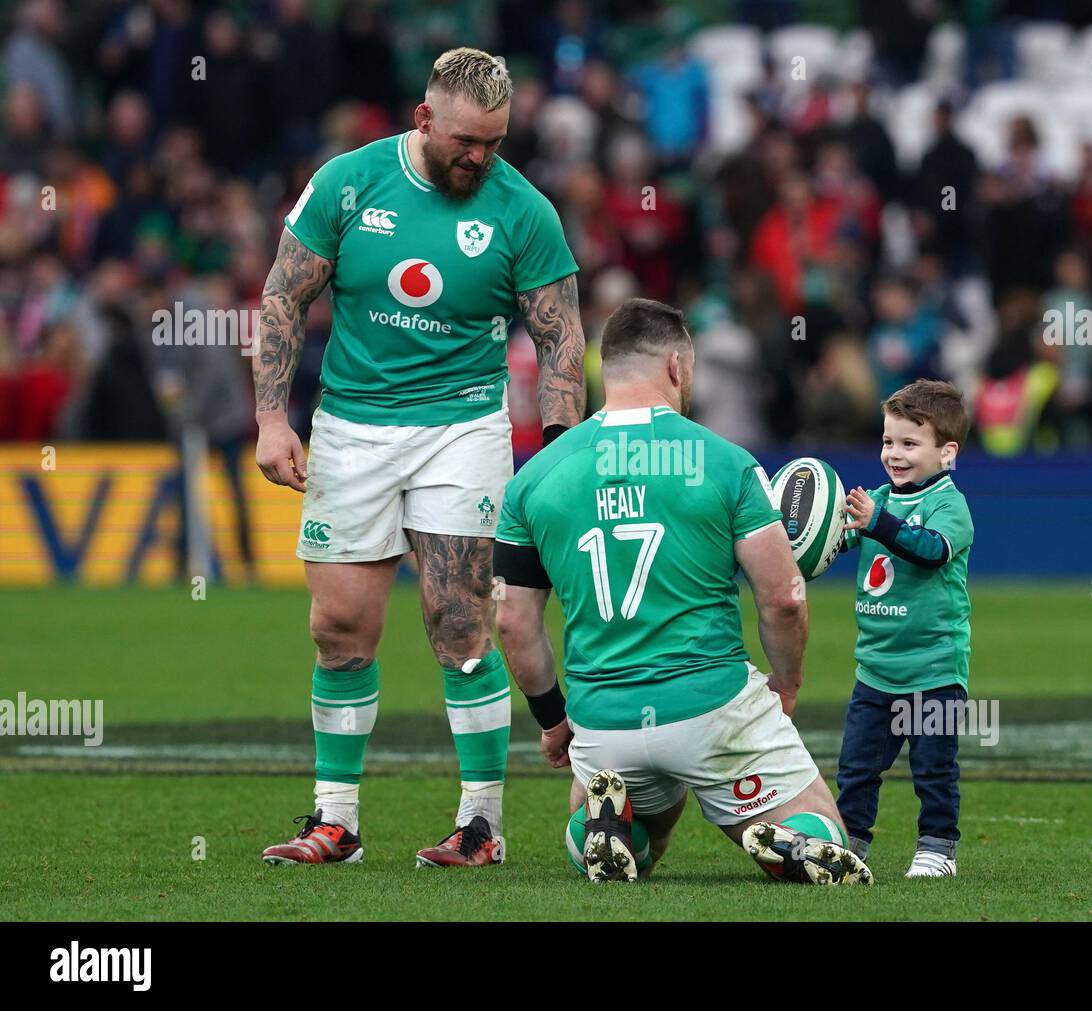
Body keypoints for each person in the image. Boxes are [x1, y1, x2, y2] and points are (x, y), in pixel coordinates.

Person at [256, 48, 587, 868]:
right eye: (467, 141)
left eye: (497, 144)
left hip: (462, 428)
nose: (481, 157)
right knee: (339, 628)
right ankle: (336, 822)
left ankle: (482, 825)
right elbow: (283, 295)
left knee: (462, 625)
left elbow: (561, 338)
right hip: (350, 429)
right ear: (424, 120)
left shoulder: (525, 212)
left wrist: (559, 454)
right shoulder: (347, 182)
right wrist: (270, 416)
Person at [492, 297, 871, 885]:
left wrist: (553, 719)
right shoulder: (724, 462)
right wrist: (787, 682)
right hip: (711, 704)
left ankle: (606, 828)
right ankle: (793, 842)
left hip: (603, 718)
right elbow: (783, 597)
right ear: (677, 366)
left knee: (649, 829)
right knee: (826, 830)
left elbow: (514, 622)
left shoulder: (533, 478)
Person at [836, 379, 974, 877]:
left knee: (934, 770)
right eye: (888, 441)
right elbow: (835, 542)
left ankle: (937, 849)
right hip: (875, 668)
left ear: (947, 452)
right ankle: (849, 845)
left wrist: (879, 523)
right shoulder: (876, 499)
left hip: (935, 670)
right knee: (856, 769)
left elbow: (932, 550)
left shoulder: (949, 505)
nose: (894, 453)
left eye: (910, 444)